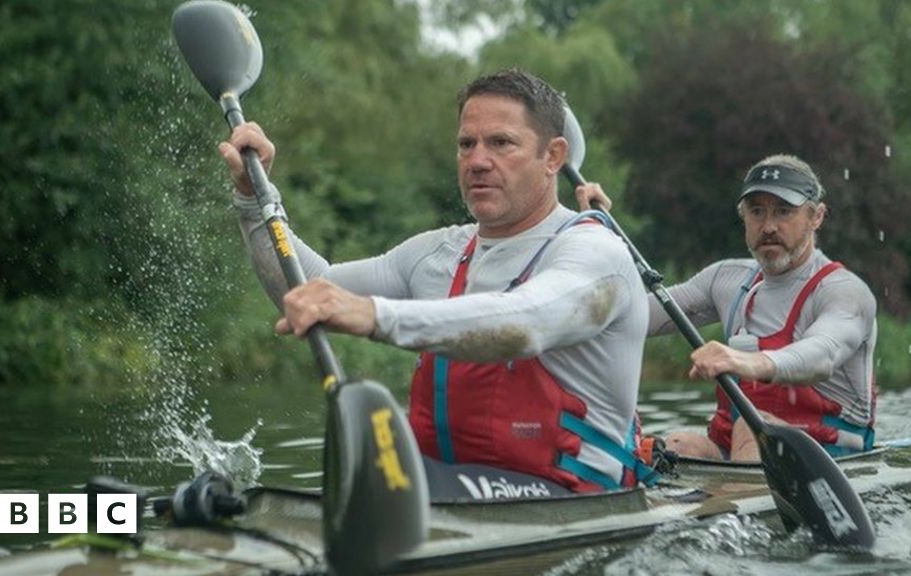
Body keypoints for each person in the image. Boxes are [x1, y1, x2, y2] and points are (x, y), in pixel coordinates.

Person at [220, 69, 657, 494]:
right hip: (447, 492)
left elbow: (526, 322)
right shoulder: (436, 254)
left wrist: (373, 314)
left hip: (572, 500)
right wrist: (252, 197)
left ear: (554, 157)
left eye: (501, 143)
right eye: (467, 144)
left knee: (390, 480)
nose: (478, 161)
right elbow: (310, 288)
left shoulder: (597, 254)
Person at [579, 154, 877, 462]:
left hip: (831, 456)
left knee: (754, 427)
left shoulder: (844, 292)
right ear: (743, 216)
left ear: (817, 217)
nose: (769, 226)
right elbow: (626, 316)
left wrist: (746, 362)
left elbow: (823, 355)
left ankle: (729, 507)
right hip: (739, 451)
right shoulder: (726, 279)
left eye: (784, 211)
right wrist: (595, 236)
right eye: (757, 211)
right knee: (673, 446)